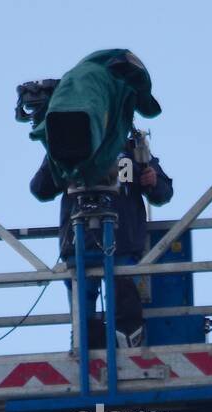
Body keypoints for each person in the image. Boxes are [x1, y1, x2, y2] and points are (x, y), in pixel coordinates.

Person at [30, 132, 173, 348]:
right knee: (83, 326)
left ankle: (122, 350)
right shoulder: (66, 145)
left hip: (119, 246)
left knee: (124, 318)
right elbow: (40, 188)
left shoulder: (131, 148)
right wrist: (56, 158)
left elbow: (163, 192)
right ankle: (87, 355)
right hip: (81, 247)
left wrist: (153, 181)